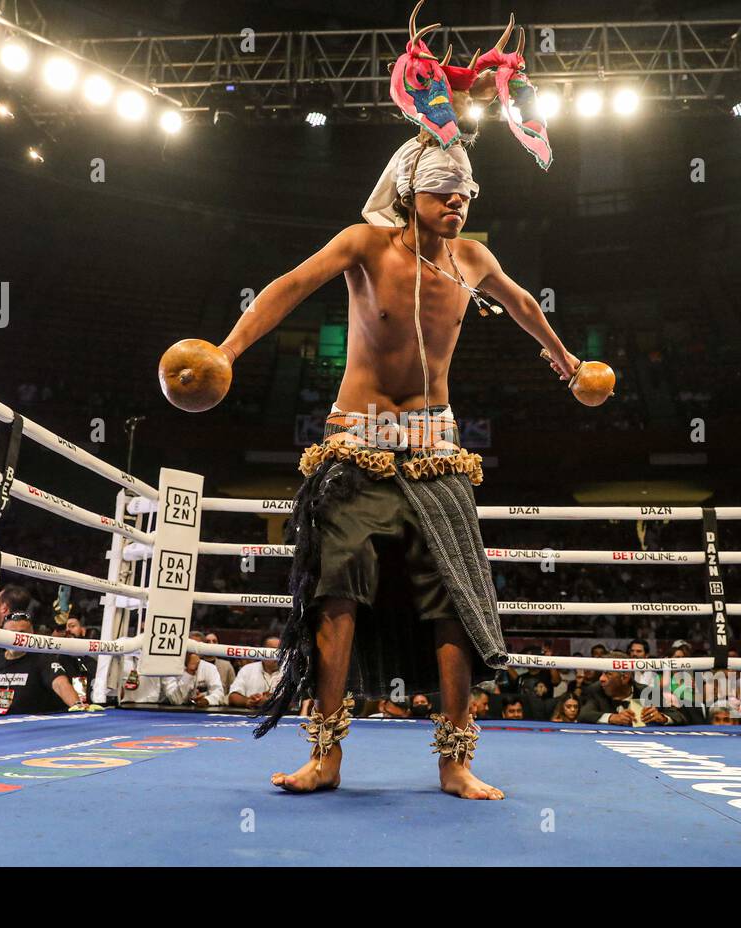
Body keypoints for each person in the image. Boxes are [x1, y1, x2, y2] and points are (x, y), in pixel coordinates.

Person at [214, 9, 571, 800]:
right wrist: (227, 352)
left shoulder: (472, 258)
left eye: (466, 197)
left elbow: (522, 306)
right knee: (335, 591)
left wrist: (568, 362)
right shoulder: (365, 245)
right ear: (412, 192)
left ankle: (454, 760)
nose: (459, 208)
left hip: (438, 446)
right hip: (354, 444)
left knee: (450, 599)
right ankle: (327, 754)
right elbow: (287, 288)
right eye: (446, 197)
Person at [0, 617, 81, 717]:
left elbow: (61, 684)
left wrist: (78, 706)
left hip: (25, 730)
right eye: (12, 634)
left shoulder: (43, 660)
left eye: (22, 633)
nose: (17, 639)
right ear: (2, 635)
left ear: (32, 634)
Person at [578, 652, 687, 726]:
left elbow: (678, 716)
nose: (601, 679)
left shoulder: (648, 692)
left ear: (625, 677)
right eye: (602, 673)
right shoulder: (596, 690)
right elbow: (584, 715)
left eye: (608, 674)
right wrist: (612, 718)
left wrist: (662, 717)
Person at [227, 637, 283, 710]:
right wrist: (248, 701)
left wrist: (271, 701)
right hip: (250, 717)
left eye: (279, 650)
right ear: (262, 652)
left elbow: (294, 701)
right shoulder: (247, 669)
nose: (276, 654)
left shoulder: (290, 671)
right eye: (272, 650)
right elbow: (233, 696)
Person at [162, 652, 226, 708]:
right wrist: (189, 672)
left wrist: (206, 700)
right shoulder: (170, 667)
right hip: (175, 714)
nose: (193, 653)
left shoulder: (210, 668)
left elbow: (219, 694)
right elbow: (175, 700)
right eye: (191, 649)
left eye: (196, 649)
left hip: (201, 713)